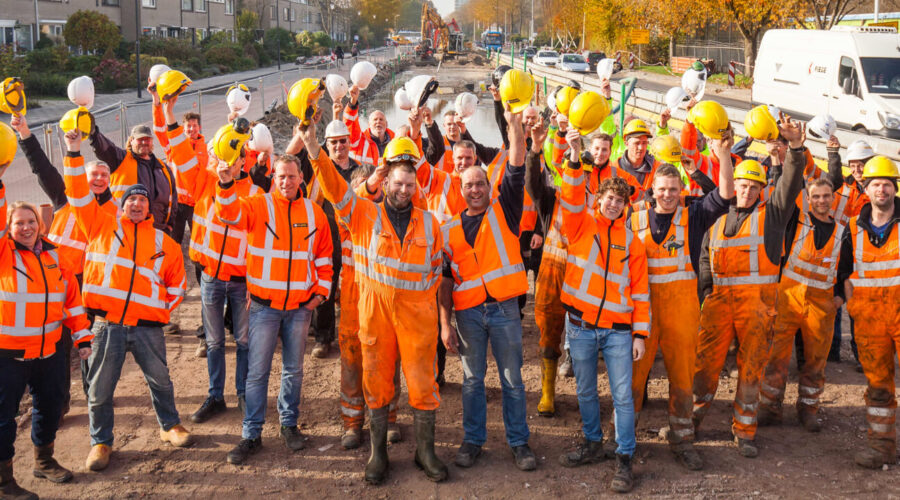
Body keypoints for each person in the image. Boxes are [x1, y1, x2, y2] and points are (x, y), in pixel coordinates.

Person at [305, 119, 446, 484]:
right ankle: (378, 454)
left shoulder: (430, 223)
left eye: (409, 184)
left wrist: (426, 309)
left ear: (417, 187)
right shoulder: (363, 215)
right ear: (384, 183)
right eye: (397, 183)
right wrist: (313, 148)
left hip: (417, 316)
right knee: (377, 381)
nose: (404, 190)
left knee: (422, 383)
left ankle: (425, 452)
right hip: (375, 314)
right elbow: (336, 190)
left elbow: (435, 270)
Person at [64, 130, 192, 473]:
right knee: (100, 388)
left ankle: (170, 426)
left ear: (150, 208)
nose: (136, 204)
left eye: (142, 201)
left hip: (147, 327)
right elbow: (77, 192)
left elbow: (177, 285)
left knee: (160, 380)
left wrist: (161, 311)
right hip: (106, 325)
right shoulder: (100, 227)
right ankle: (100, 442)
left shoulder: (165, 243)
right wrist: (74, 151)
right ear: (122, 205)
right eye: (130, 200)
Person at [691, 114, 806, 458]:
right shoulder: (719, 221)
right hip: (718, 306)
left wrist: (794, 150)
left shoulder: (771, 216)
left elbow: (789, 185)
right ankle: (692, 420)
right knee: (704, 365)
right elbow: (704, 261)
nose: (746, 191)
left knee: (751, 369)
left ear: (760, 191)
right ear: (734, 187)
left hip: (757, 307)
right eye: (742, 186)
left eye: (753, 187)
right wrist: (708, 293)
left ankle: (744, 430)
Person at [216, 153, 333, 465]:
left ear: (300, 179)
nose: (286, 182)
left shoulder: (314, 213)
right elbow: (228, 215)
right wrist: (225, 183)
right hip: (264, 308)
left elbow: (323, 257)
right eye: (281, 176)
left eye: (292, 176)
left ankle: (289, 426)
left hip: (299, 308)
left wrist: (320, 294)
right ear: (273, 179)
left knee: (293, 371)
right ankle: (251, 434)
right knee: (258, 372)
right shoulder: (257, 206)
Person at [628, 134, 735, 471]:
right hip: (642, 315)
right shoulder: (634, 219)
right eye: (662, 189)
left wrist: (724, 157)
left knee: (683, 377)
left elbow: (725, 195)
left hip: (682, 314)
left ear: (681, 190)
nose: (668, 195)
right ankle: (625, 442)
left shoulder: (693, 217)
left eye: (674, 189)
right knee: (632, 378)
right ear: (653, 188)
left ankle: (682, 439)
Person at [439, 111, 536, 471]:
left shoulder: (506, 210)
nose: (476, 189)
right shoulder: (449, 229)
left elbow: (515, 166)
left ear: (488, 186)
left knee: (512, 380)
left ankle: (519, 443)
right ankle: (473, 440)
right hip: (468, 315)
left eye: (481, 183)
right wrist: (445, 324)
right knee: (471, 381)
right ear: (460, 189)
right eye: (469, 185)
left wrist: (514, 126)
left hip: (504, 310)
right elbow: (446, 282)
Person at [555, 128, 649, 495]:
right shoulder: (580, 224)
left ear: (626, 206)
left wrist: (640, 334)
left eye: (619, 201)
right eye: (608, 198)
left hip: (618, 331)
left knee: (623, 396)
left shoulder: (632, 243)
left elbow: (640, 292)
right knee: (586, 391)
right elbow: (571, 193)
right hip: (579, 326)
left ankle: (624, 457)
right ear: (600, 200)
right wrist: (575, 156)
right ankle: (593, 443)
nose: (613, 205)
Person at [0, 128, 93, 499]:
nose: (26, 227)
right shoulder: (4, 256)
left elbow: (72, 300)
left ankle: (44, 461)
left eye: (31, 222)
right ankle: (4, 481)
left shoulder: (55, 256)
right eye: (18, 223)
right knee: (3, 419)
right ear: (8, 229)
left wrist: (81, 337)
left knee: (51, 406)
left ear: (41, 225)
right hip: (8, 353)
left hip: (51, 351)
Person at [11, 113, 118, 409]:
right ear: (81, 179)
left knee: (87, 343)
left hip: (86, 283)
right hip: (52, 278)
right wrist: (23, 132)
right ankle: (58, 402)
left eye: (103, 176)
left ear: (109, 181)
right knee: (56, 344)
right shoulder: (65, 197)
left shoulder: (112, 212)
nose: (97, 179)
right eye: (92, 175)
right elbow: (41, 167)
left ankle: (92, 392)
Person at [164, 102, 258, 424]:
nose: (231, 162)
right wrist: (169, 115)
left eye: (238, 158)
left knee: (244, 341)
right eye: (226, 157)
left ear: (245, 160)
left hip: (242, 282)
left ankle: (244, 393)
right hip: (210, 277)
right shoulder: (203, 181)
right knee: (215, 341)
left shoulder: (256, 194)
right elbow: (180, 155)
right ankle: (215, 396)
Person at [759, 178, 849, 433]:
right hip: (787, 299)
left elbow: (848, 271)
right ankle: (769, 407)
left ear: (833, 199)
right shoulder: (796, 222)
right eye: (816, 196)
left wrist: (839, 298)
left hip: (822, 306)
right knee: (776, 356)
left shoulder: (844, 233)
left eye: (826, 196)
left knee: (815, 361)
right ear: (808, 200)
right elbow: (784, 194)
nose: (821, 200)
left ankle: (808, 409)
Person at [836, 156, 900, 469]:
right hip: (870, 322)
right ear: (867, 187)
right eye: (876, 184)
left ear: (895, 188)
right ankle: (882, 447)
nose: (882, 189)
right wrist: (856, 308)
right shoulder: (853, 229)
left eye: (888, 183)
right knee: (878, 386)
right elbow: (844, 273)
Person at [335, 165, 404, 449]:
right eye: (364, 187)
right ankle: (352, 423)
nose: (372, 192)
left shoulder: (390, 218)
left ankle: (389, 417)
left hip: (384, 300)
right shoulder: (348, 218)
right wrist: (372, 182)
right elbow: (350, 200)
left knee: (388, 360)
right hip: (353, 299)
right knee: (352, 364)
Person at [308, 117, 362, 359]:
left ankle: (358, 334)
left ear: (350, 142)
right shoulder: (319, 170)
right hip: (326, 239)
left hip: (354, 240)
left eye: (342, 141)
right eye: (333, 143)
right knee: (325, 289)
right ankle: (323, 337)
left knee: (357, 290)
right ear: (326, 145)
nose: (339, 146)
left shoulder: (360, 170)